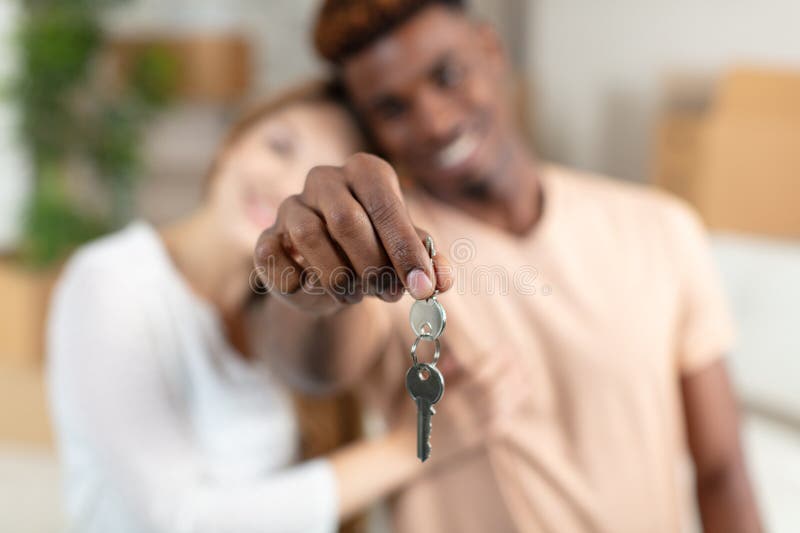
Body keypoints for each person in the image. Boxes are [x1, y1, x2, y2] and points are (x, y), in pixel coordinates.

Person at [252, 2, 764, 532]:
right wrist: (319, 292)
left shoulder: (661, 228)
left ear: (491, 50)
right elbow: (311, 369)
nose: (435, 121)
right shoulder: (391, 250)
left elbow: (722, 469)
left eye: (447, 76)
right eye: (392, 109)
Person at [46, 81, 519, 533]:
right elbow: (177, 519)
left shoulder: (289, 316)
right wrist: (411, 448)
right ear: (231, 144)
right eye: (279, 146)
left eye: (321, 183)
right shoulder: (111, 281)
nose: (288, 189)